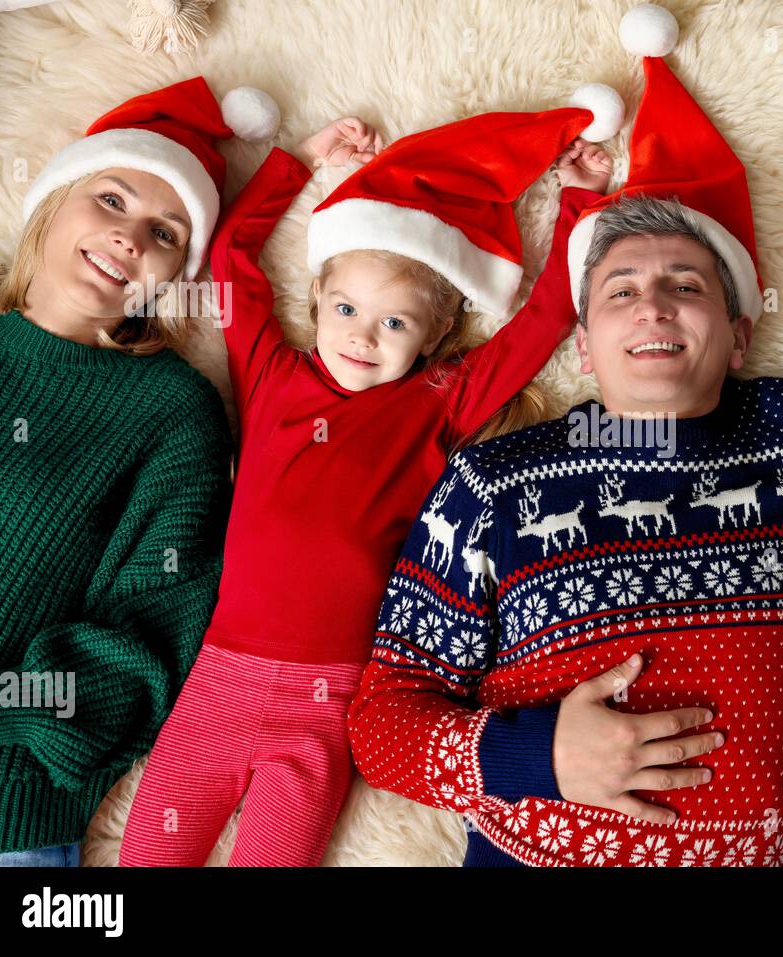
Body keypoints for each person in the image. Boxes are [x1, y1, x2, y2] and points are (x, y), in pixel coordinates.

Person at [347, 11, 783, 867]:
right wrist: (536, 753)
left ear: (739, 335)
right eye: (620, 291)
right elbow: (381, 727)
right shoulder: (495, 483)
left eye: (685, 285)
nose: (655, 305)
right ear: (585, 344)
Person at [119, 92, 619, 867]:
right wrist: (300, 164)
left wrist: (578, 200)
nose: (362, 334)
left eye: (395, 322)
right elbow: (230, 263)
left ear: (439, 333)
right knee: (148, 856)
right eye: (347, 307)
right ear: (316, 296)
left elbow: (543, 321)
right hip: (219, 679)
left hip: (332, 697)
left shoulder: (436, 401)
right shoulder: (271, 373)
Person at [0, 77, 248, 865]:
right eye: (113, 200)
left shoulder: (170, 412)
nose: (134, 237)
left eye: (166, 233)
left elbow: (150, 639)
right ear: (53, 203)